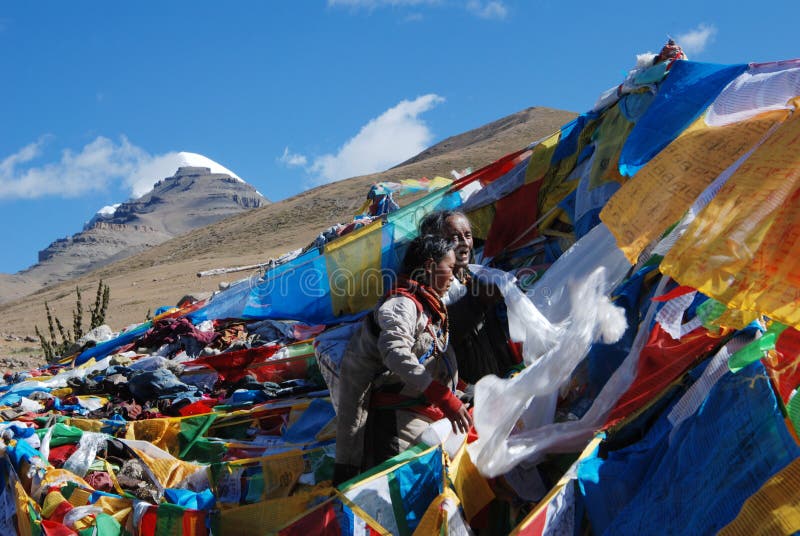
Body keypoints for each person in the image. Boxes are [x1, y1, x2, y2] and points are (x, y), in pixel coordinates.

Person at [333, 235, 472, 486]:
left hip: (420, 413)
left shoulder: (429, 306)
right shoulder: (402, 304)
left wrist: (461, 389)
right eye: (449, 268)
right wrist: (442, 396)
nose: (453, 276)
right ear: (430, 267)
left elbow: (433, 359)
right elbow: (395, 351)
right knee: (402, 492)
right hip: (395, 422)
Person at [420, 210, 518, 384]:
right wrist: (479, 301)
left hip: (498, 378)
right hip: (466, 389)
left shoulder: (473, 277)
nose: (464, 243)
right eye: (453, 238)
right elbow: (444, 331)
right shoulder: (429, 288)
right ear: (435, 244)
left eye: (467, 235)